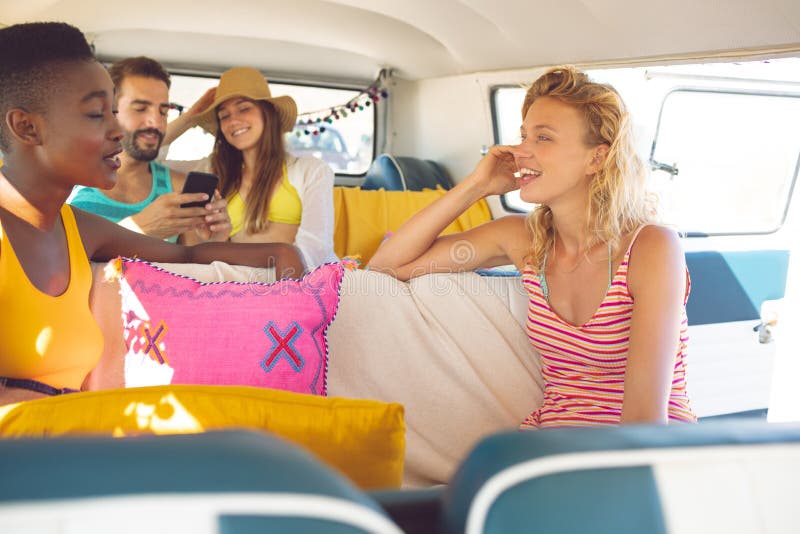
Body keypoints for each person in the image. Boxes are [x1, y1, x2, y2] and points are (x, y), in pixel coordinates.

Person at [368, 66, 695, 428]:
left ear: (597, 158)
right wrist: (476, 185)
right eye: (523, 135)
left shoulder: (651, 248)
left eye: (543, 138)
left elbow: (644, 423)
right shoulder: (522, 239)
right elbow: (386, 267)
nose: (521, 151)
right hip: (547, 446)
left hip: (639, 459)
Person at [0, 22, 305, 407]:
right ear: (28, 127)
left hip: (79, 438)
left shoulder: (77, 229)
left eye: (113, 111)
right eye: (97, 114)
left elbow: (187, 255)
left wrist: (283, 256)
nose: (117, 129)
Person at [167, 66, 338, 268]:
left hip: (297, 281)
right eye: (224, 116)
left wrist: (281, 288)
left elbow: (316, 248)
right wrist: (190, 118)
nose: (233, 121)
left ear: (268, 113)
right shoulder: (212, 170)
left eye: (244, 108)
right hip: (240, 285)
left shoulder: (311, 170)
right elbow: (147, 161)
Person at [68, 56, 232, 244]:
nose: (156, 122)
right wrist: (139, 229)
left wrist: (214, 242)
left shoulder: (179, 189)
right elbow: (53, 262)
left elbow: (190, 269)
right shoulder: (68, 180)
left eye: (163, 111)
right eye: (140, 108)